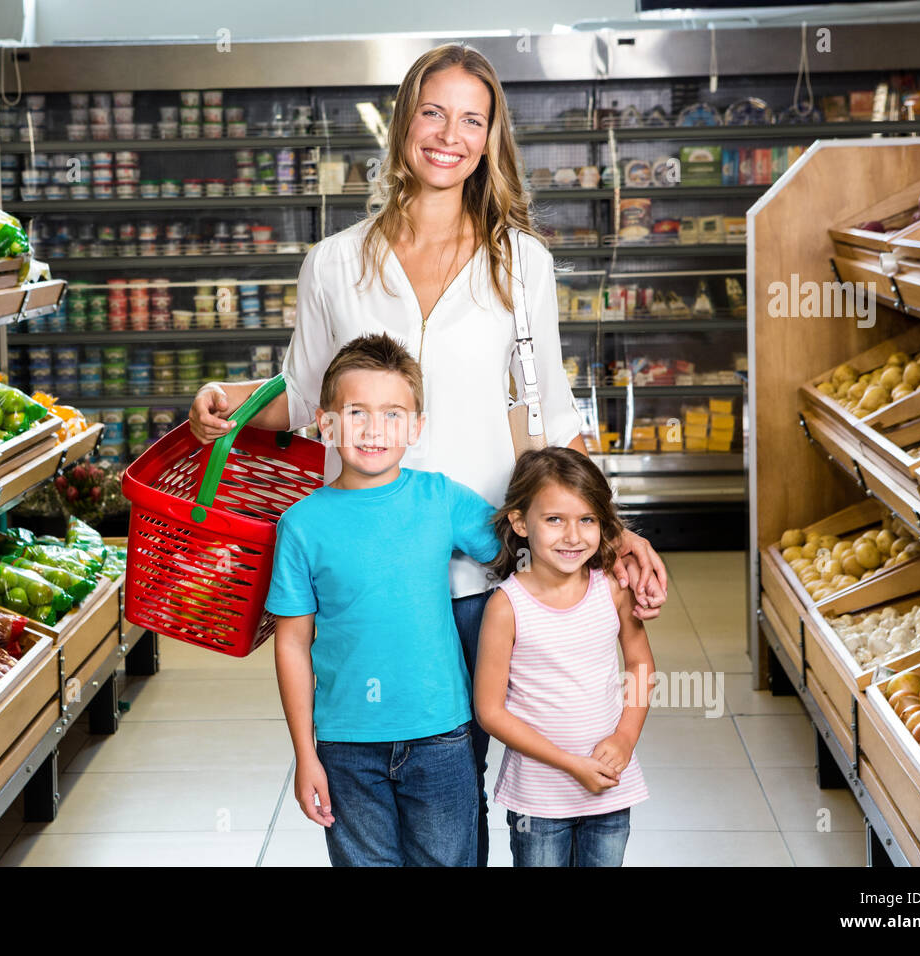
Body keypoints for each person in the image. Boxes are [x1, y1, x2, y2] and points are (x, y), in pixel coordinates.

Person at [189, 42, 668, 865]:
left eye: (472, 118)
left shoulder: (525, 264)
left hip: (493, 571)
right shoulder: (334, 263)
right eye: (433, 112)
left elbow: (553, 410)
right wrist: (229, 404)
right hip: (379, 583)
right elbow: (304, 399)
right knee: (384, 774)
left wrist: (617, 532)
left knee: (471, 786)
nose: (450, 134)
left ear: (492, 137)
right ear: (407, 120)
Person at [266, 332, 500, 866]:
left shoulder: (440, 498)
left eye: (394, 414)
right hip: (345, 745)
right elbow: (292, 645)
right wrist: (306, 754)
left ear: (417, 427)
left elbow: (520, 545)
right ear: (325, 424)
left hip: (440, 734)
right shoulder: (301, 525)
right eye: (356, 412)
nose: (375, 430)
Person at [474, 447, 653, 867]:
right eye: (555, 519)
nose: (573, 536)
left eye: (587, 520)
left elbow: (641, 665)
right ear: (520, 521)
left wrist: (625, 737)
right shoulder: (506, 607)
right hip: (538, 801)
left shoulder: (612, 588)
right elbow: (490, 711)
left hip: (610, 788)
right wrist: (572, 765)